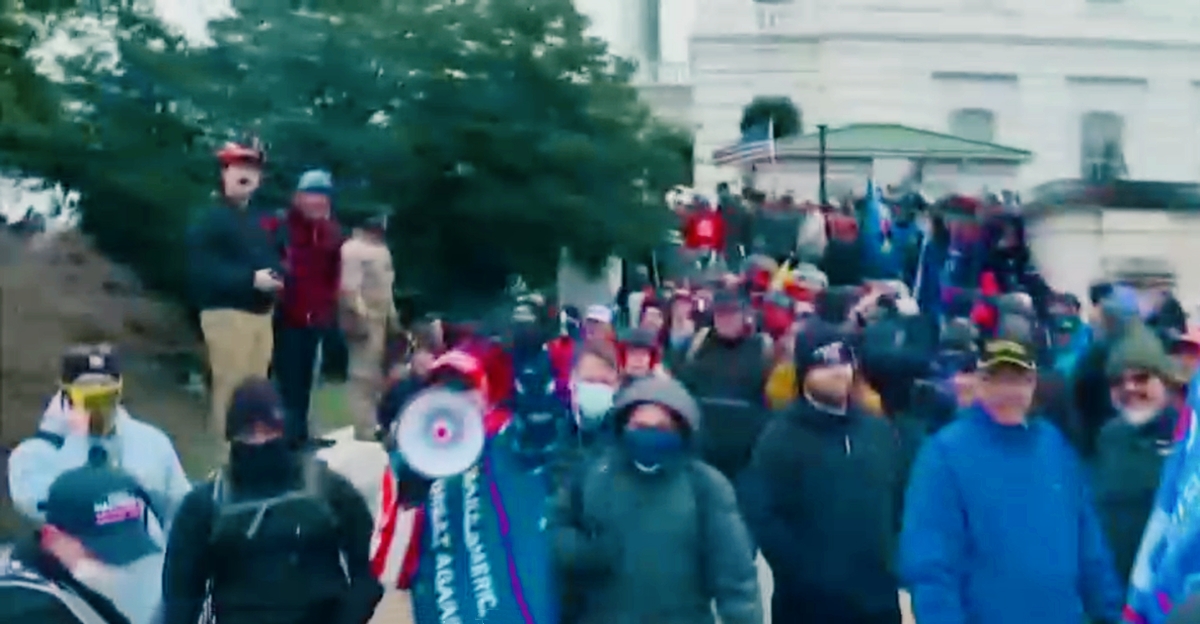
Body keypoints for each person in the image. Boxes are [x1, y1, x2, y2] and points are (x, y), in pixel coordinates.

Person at [900, 335, 1124, 624]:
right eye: (996, 379)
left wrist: (1110, 612)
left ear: (1032, 384)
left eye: (1017, 379)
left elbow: (1089, 544)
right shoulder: (944, 454)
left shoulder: (1054, 446)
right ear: (980, 383)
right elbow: (931, 562)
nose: (1007, 390)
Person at [161, 378, 381, 624]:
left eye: (269, 430)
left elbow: (371, 568)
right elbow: (181, 597)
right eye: (249, 432)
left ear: (283, 430)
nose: (260, 441)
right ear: (232, 436)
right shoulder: (204, 506)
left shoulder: (329, 490)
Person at [550, 376, 763, 624]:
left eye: (661, 427)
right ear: (623, 426)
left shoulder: (705, 486)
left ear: (681, 430)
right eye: (639, 425)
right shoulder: (594, 474)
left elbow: (736, 579)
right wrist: (582, 552)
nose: (649, 434)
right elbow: (554, 529)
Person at [372, 350, 562, 624]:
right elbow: (391, 570)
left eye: (463, 388)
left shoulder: (511, 445)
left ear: (483, 397)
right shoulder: (408, 464)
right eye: (443, 388)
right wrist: (409, 502)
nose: (454, 398)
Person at [738, 321, 903, 624]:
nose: (839, 371)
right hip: (808, 606)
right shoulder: (780, 436)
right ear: (805, 374)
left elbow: (898, 501)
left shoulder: (878, 430)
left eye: (844, 361)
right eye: (825, 364)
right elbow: (762, 514)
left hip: (878, 600)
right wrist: (803, 572)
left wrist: (892, 560)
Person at [9, 344, 191, 530]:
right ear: (66, 394)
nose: (98, 407)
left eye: (107, 395)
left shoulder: (153, 443)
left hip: (147, 554)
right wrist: (76, 441)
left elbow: (183, 511)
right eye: (87, 396)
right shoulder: (33, 455)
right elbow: (54, 513)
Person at [187, 140, 281, 436]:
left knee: (257, 391)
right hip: (226, 314)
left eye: (251, 168)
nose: (245, 174)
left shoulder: (255, 220)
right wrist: (250, 280)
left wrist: (277, 278)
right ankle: (227, 460)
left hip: (261, 315)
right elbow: (202, 271)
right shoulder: (210, 219)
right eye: (237, 167)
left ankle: (254, 450)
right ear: (224, 174)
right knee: (231, 389)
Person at [0, 464, 166, 624]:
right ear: (51, 537)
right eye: (97, 551)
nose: (112, 565)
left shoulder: (67, 577)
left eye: (130, 549)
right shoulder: (22, 607)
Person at [1092, 321, 1180, 585]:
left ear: (1164, 382)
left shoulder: (1188, 437)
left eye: (1141, 378)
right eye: (1118, 381)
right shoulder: (1109, 436)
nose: (1129, 388)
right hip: (1119, 587)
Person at [267, 169, 344, 448]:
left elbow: (334, 273)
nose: (318, 201)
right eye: (313, 194)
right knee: (284, 379)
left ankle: (299, 436)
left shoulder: (330, 231)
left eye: (324, 196)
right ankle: (283, 439)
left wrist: (327, 307)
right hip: (284, 316)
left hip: (315, 318)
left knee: (306, 380)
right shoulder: (281, 226)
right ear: (299, 197)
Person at [677, 289, 771, 482]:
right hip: (702, 445)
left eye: (731, 314)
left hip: (745, 449)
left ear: (745, 316)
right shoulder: (698, 345)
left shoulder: (762, 347)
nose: (725, 320)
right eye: (720, 314)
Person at [339, 212, 399, 441]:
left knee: (379, 376)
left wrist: (393, 318)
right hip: (365, 320)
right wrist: (359, 318)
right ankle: (364, 427)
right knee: (362, 375)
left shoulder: (381, 251)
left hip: (381, 319)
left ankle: (378, 422)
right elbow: (349, 288)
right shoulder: (353, 250)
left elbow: (387, 287)